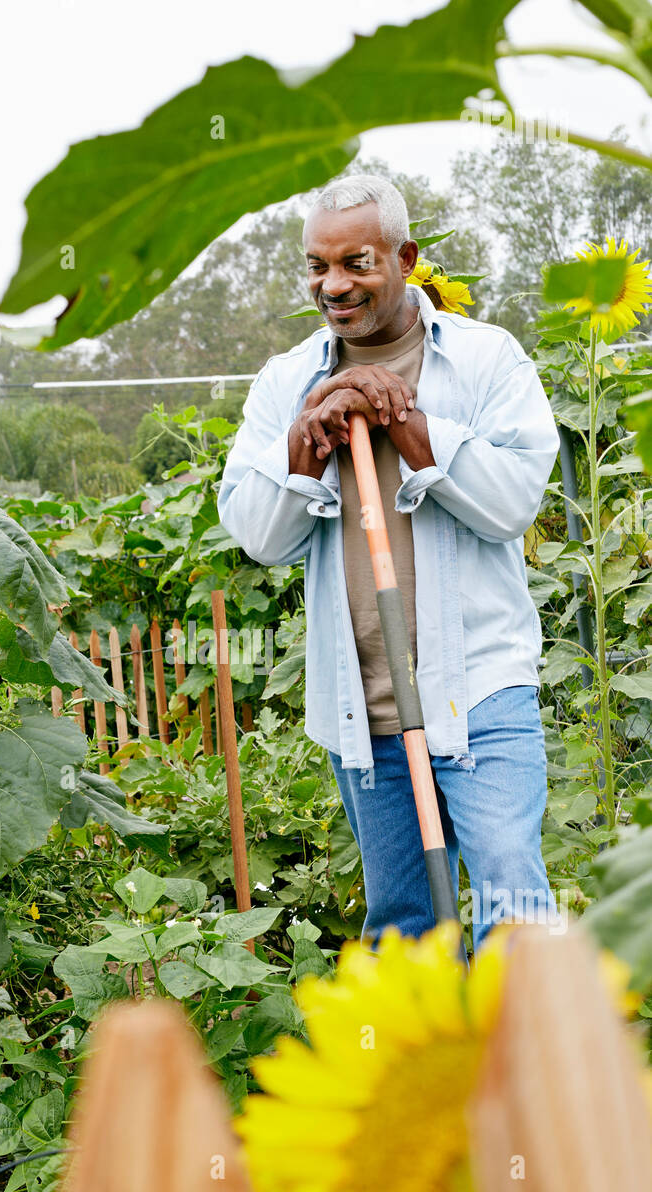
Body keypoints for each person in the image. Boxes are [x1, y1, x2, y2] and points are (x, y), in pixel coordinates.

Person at [217, 173, 561, 950]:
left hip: (480, 691)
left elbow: (511, 504)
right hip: (361, 705)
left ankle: (535, 1067)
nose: (333, 285)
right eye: (317, 266)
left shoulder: (484, 361)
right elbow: (258, 536)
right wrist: (308, 434)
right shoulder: (286, 383)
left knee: (514, 909)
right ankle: (419, 1070)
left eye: (357, 263)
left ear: (405, 257)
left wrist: (406, 425)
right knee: (403, 926)